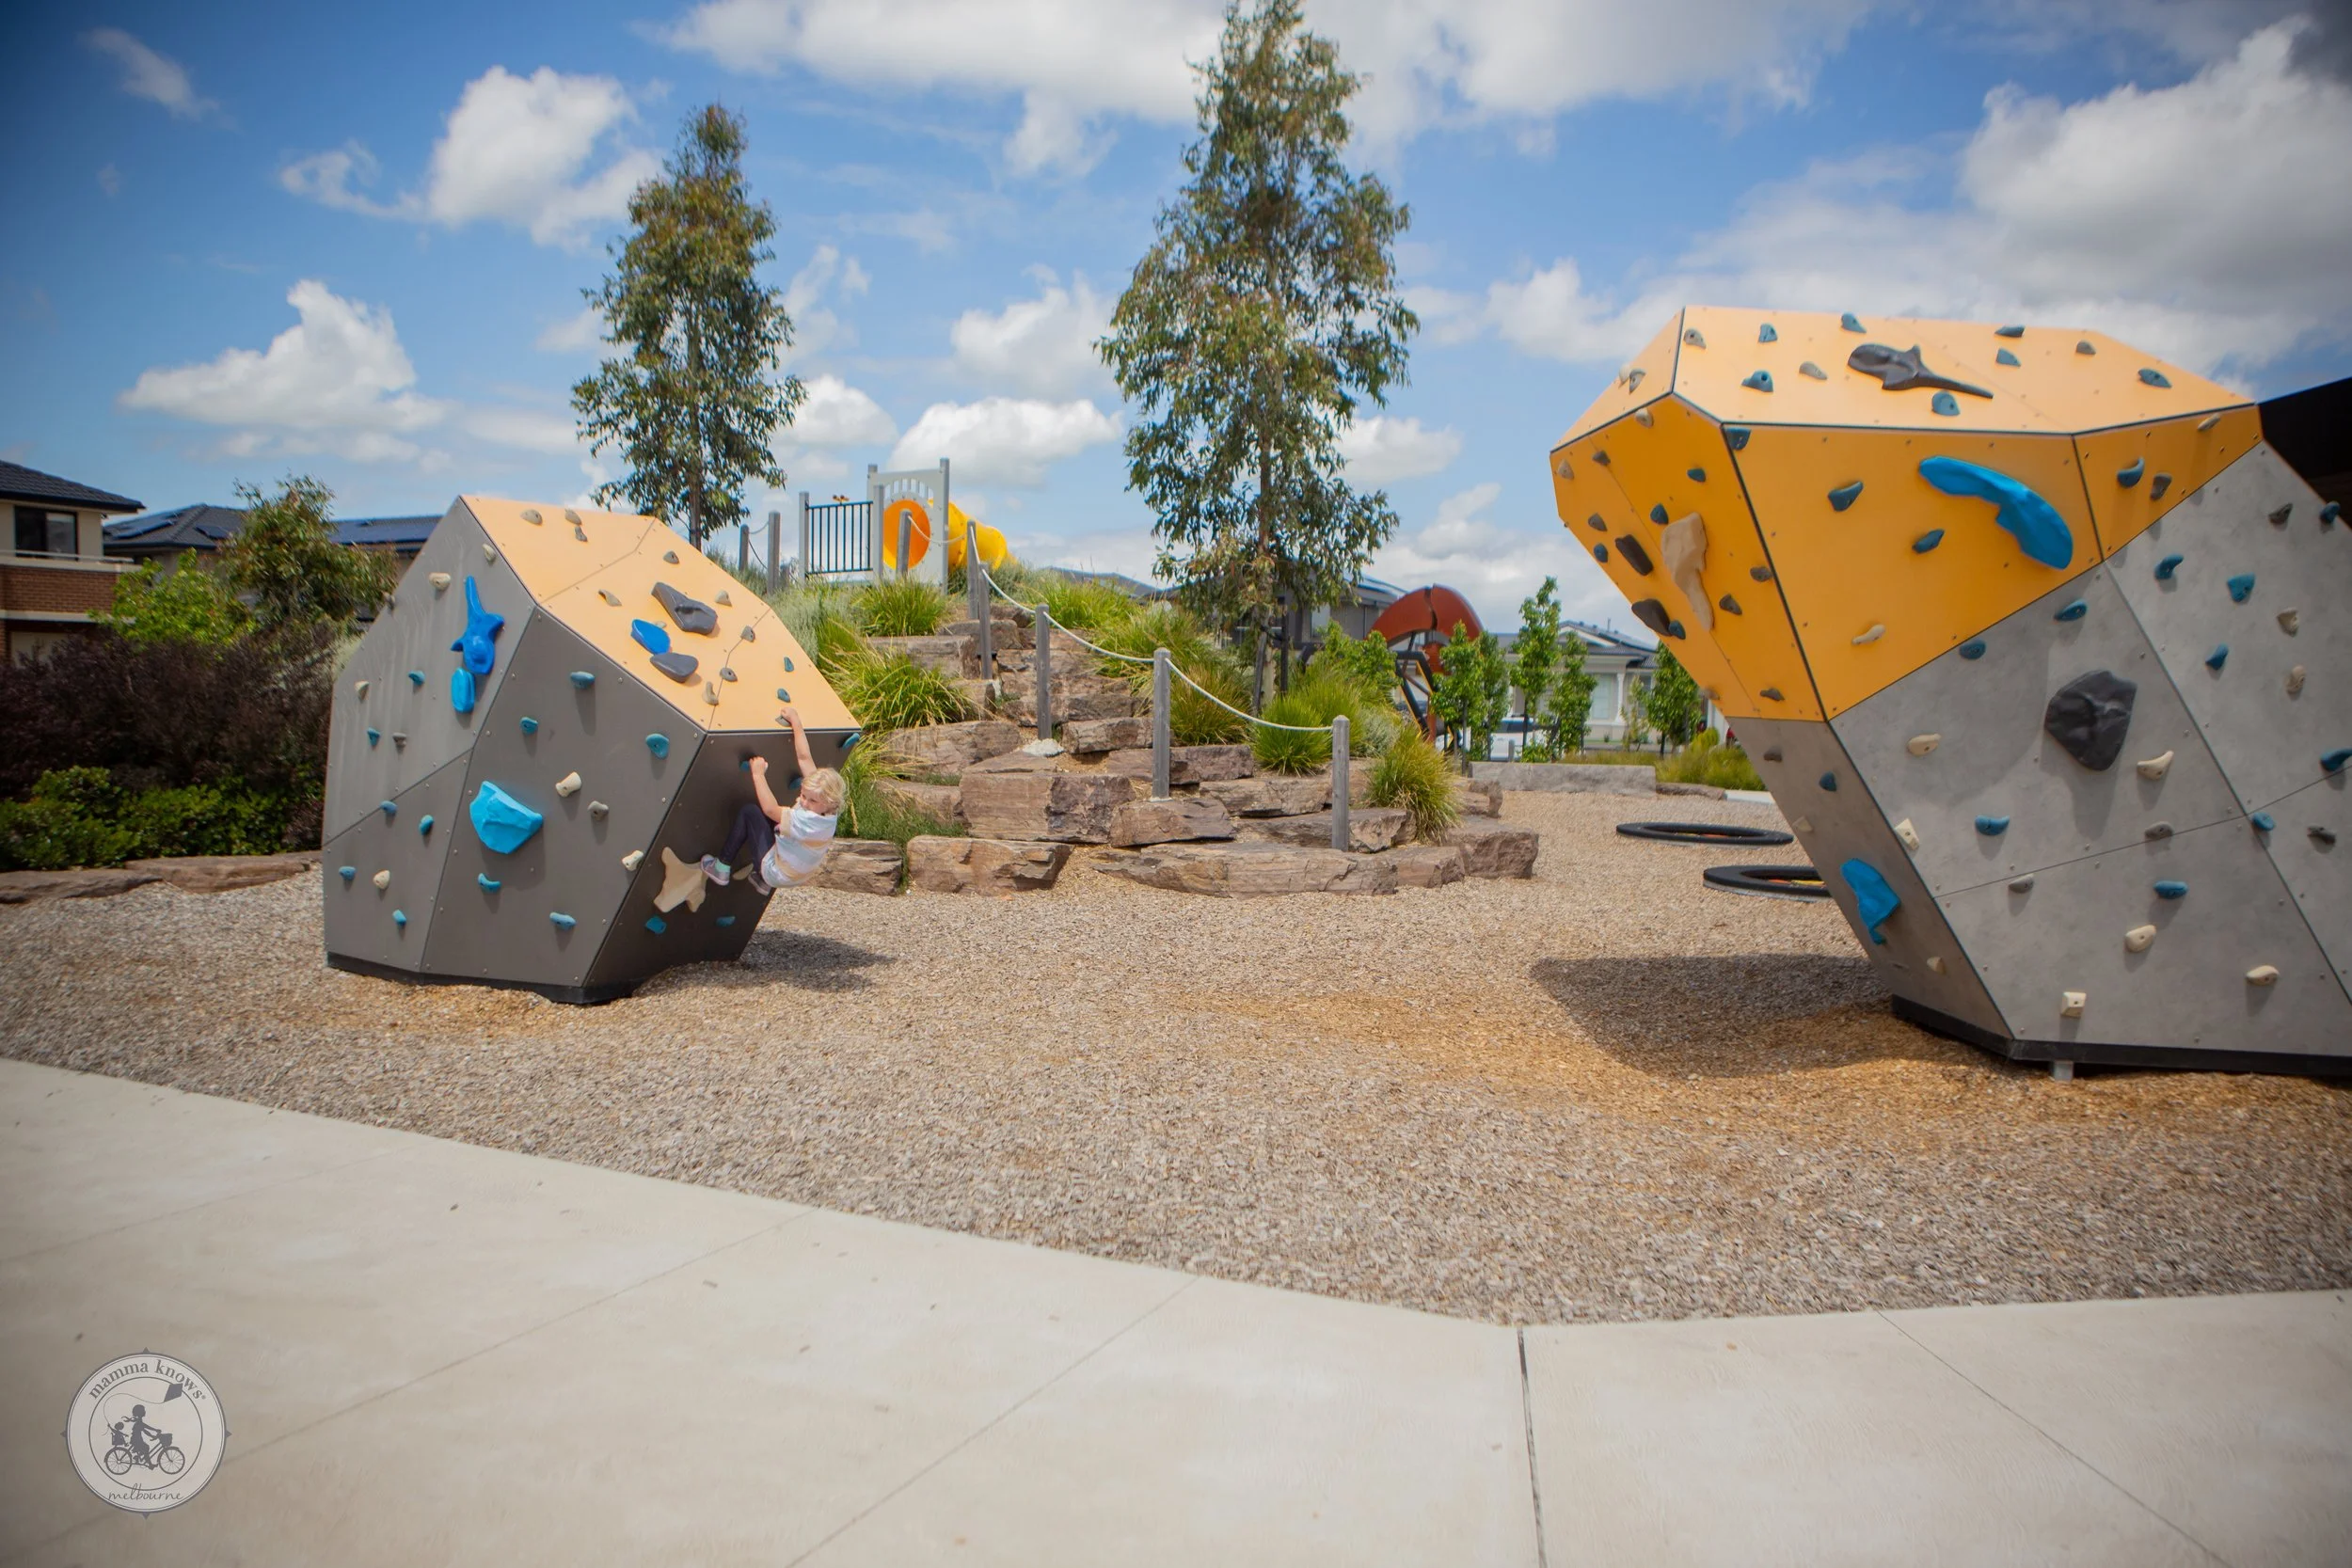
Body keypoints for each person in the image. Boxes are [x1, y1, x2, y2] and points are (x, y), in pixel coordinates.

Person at [702, 705, 840, 895]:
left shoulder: (807, 819)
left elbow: (770, 809)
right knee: (777, 823)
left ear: (829, 802)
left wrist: (758, 774)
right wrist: (796, 721)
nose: (805, 803)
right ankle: (761, 880)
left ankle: (722, 867)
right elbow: (804, 758)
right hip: (795, 873)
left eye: (812, 801)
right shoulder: (828, 809)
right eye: (803, 795)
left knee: (751, 812)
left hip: (778, 873)